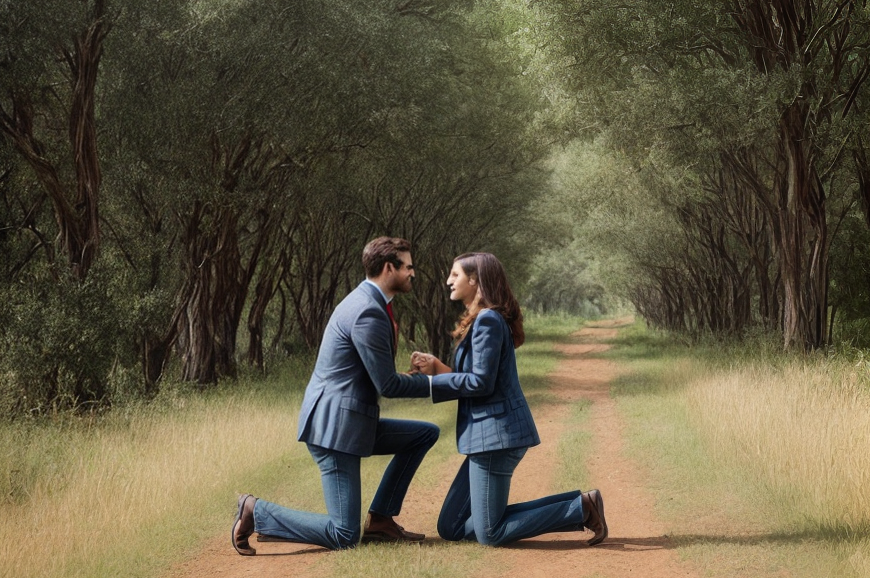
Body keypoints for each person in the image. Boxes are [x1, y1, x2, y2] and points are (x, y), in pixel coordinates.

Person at [231, 236, 439, 554]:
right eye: (408, 267)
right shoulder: (367, 311)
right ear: (389, 268)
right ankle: (255, 512)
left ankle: (381, 521)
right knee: (344, 534)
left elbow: (373, 376)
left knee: (423, 434)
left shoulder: (369, 303)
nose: (413, 273)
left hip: (352, 422)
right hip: (335, 430)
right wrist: (438, 382)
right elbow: (387, 385)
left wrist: (411, 376)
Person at [410, 252, 607, 547]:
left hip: (497, 437)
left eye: (455, 275)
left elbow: (480, 382)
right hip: (485, 437)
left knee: (490, 532)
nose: (448, 281)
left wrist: (430, 383)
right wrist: (438, 368)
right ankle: (581, 504)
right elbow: (475, 378)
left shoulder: (488, 320)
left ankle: (581, 508)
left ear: (474, 280)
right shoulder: (481, 319)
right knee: (451, 525)